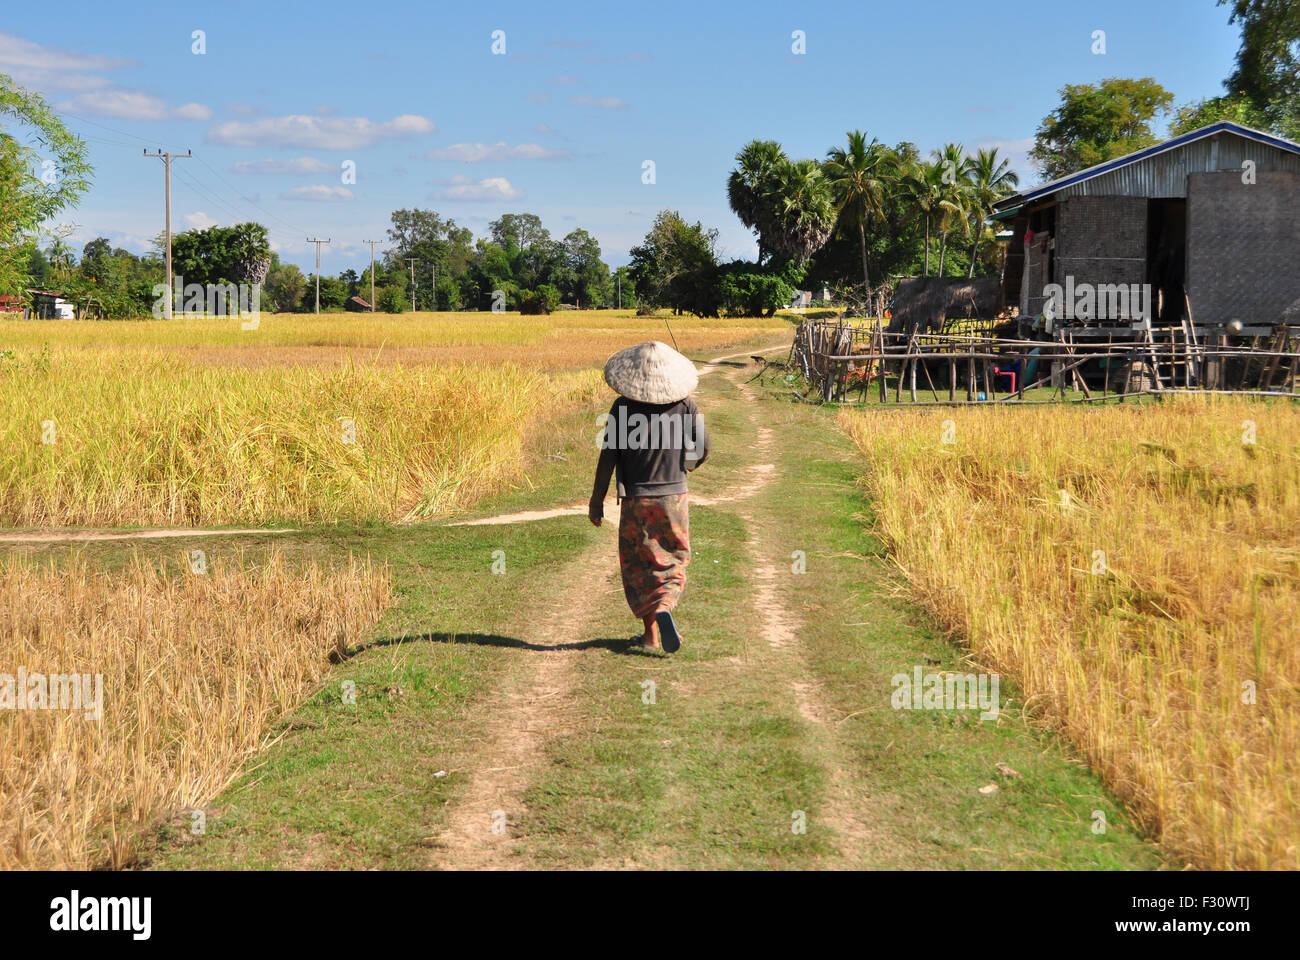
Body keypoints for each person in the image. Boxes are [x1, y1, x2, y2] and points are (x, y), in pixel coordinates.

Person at [589, 341, 710, 652]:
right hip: (674, 497)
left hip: (636, 499)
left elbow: (608, 458)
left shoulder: (622, 408)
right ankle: (665, 606)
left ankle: (651, 636)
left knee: (640, 564)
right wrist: (687, 465)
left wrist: (596, 502)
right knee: (675, 557)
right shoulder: (686, 405)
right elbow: (704, 448)